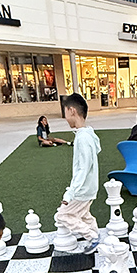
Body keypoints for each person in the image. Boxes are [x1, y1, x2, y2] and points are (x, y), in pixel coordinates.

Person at [54, 93, 101, 253]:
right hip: (90, 187)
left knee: (63, 215)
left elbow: (83, 168)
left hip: (83, 189)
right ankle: (95, 234)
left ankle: (93, 237)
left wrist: (70, 194)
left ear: (72, 110)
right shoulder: (88, 133)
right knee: (84, 214)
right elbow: (96, 151)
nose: (65, 117)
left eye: (65, 112)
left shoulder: (82, 138)